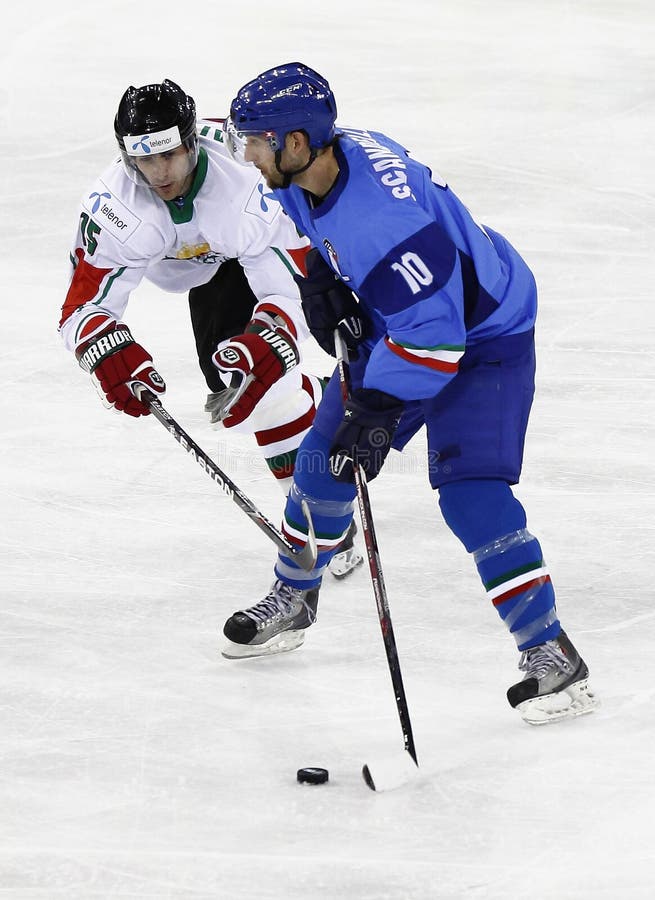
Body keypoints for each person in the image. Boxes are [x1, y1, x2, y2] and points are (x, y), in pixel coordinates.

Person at [217, 61, 599, 725]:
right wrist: (319, 281)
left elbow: (437, 341)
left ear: (297, 143)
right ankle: (295, 595)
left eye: (255, 140)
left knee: (470, 496)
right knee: (319, 466)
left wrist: (373, 411)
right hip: (408, 326)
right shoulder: (319, 161)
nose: (247, 154)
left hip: (482, 338)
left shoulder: (382, 225)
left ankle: (550, 654)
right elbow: (307, 224)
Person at [58, 78, 362, 582]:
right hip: (201, 267)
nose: (158, 173)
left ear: (191, 140)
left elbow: (294, 280)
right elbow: (81, 306)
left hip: (250, 252)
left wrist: (275, 334)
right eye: (143, 159)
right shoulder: (115, 207)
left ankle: (319, 513)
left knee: (262, 385)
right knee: (230, 381)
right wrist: (105, 347)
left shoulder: (248, 175)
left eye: (169, 155)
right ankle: (323, 400)